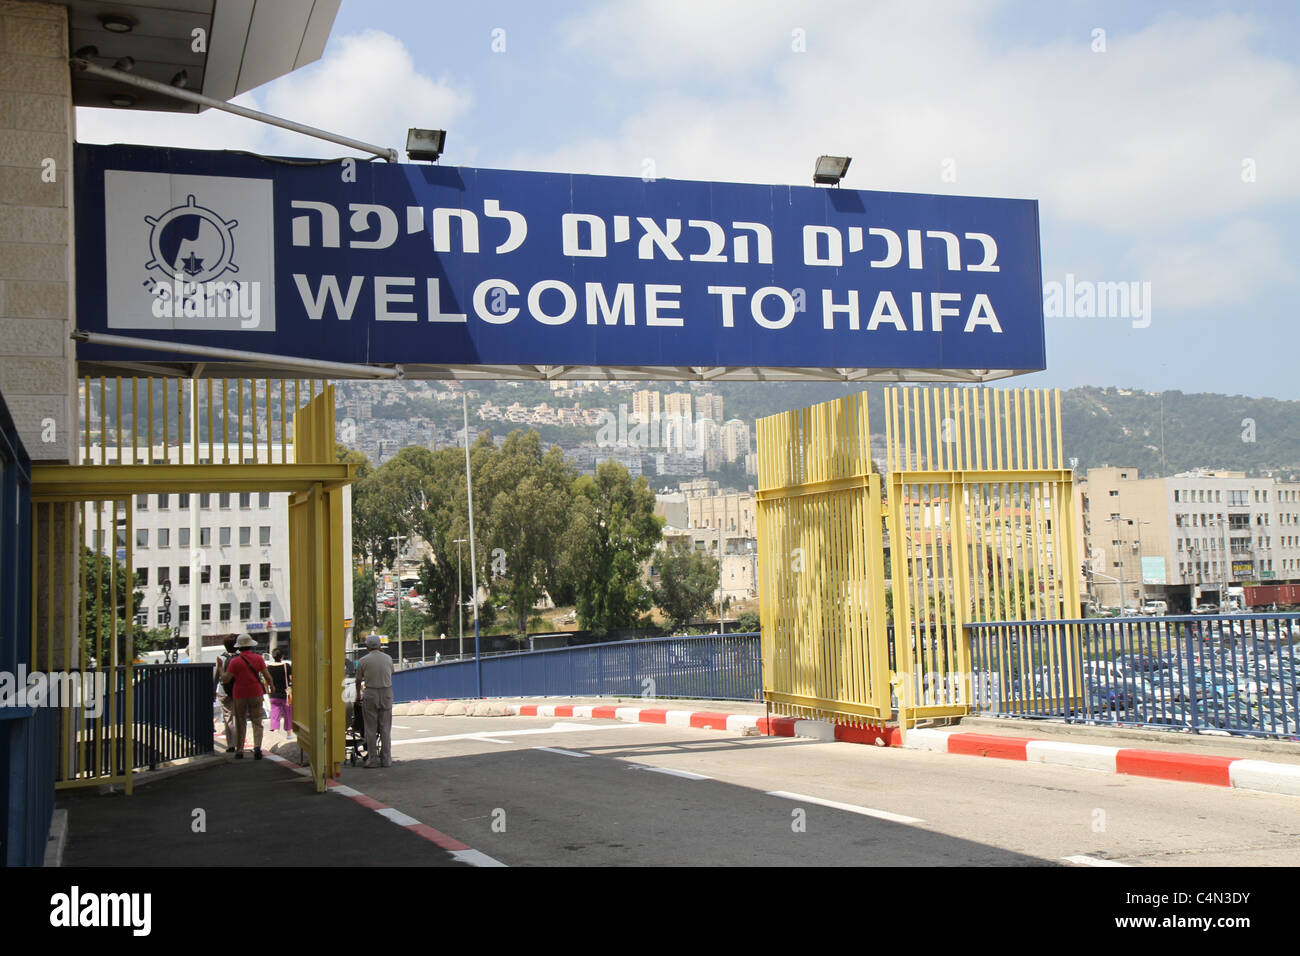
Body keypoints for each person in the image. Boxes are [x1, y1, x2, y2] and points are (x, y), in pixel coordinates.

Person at [224, 633, 272, 759]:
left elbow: (226, 679)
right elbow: (267, 675)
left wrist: (219, 669)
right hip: (255, 692)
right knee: (257, 720)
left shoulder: (234, 661)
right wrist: (272, 686)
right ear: (251, 645)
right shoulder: (258, 659)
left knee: (241, 721)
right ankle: (257, 747)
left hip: (239, 693)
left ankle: (239, 750)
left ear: (238, 647)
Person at [355, 634, 394, 768]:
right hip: (386, 692)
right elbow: (391, 673)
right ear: (380, 646)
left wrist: (357, 696)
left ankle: (372, 760)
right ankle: (386, 759)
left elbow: (358, 680)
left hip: (371, 692)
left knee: (370, 728)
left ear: (367, 647)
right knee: (385, 728)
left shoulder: (363, 660)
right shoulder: (388, 658)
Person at [214, 636, 238, 753]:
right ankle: (240, 742)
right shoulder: (240, 658)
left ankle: (231, 744)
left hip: (224, 692)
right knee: (239, 716)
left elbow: (216, 676)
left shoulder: (221, 658)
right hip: (238, 691)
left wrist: (213, 691)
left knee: (228, 718)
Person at [266, 646, 293, 737]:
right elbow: (291, 678)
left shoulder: (269, 667)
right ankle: (289, 733)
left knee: (275, 713)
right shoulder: (286, 666)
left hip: (274, 694)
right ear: (282, 657)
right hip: (286, 694)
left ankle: (276, 733)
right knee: (288, 713)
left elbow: (266, 682)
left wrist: (268, 692)